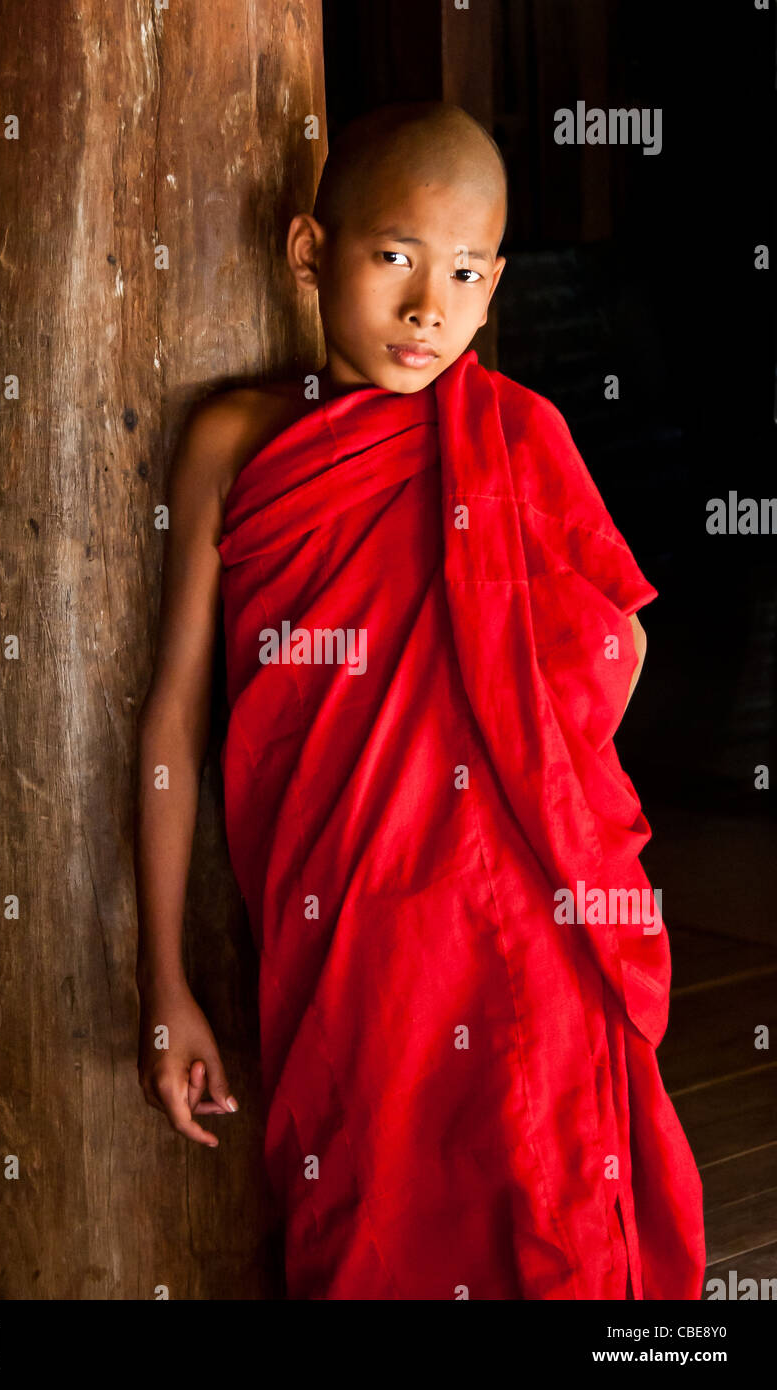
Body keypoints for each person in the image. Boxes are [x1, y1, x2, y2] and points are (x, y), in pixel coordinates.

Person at [134, 101, 706, 1299]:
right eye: (393, 257)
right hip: (355, 934)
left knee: (546, 1206)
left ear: (494, 288)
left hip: (522, 917)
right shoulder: (237, 441)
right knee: (370, 1216)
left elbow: (617, 645)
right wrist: (165, 980)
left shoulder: (514, 435)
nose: (424, 309)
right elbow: (178, 711)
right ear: (307, 253)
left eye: (459, 274)